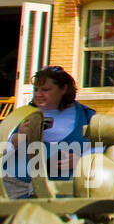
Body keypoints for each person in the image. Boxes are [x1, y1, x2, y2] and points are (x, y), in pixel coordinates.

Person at [2, 65, 99, 199]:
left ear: (64, 89)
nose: (38, 94)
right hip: (18, 191)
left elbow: (101, 152)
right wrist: (18, 139)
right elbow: (3, 150)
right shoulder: (22, 114)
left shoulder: (87, 116)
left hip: (62, 195)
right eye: (36, 90)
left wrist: (82, 160)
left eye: (45, 90)